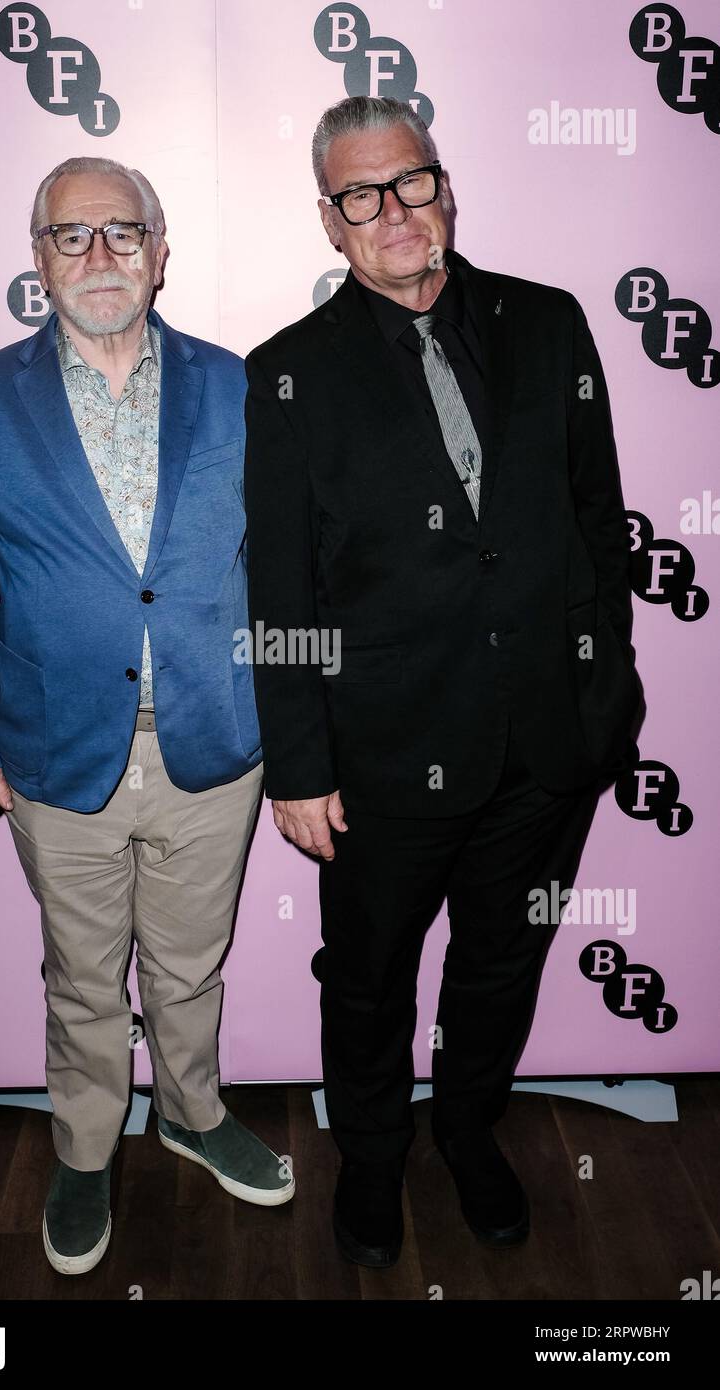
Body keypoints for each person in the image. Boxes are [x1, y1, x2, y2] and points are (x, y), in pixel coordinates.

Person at [243, 96, 643, 1268]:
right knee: (365, 982)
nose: (393, 214)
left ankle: (468, 1134)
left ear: (444, 186)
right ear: (330, 222)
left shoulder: (550, 324)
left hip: (543, 745)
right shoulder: (287, 378)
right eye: (359, 197)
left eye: (408, 182)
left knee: (496, 964)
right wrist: (300, 764)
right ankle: (369, 1161)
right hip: (377, 758)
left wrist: (602, 693)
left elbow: (595, 523)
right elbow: (280, 593)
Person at [0, 154, 294, 1278]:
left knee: (189, 965)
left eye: (122, 233)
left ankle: (189, 1108)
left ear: (160, 251)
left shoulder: (238, 386)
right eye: (71, 235)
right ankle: (84, 1150)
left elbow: (290, 569)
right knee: (83, 975)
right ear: (37, 258)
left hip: (212, 742)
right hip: (52, 748)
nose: (98, 255)